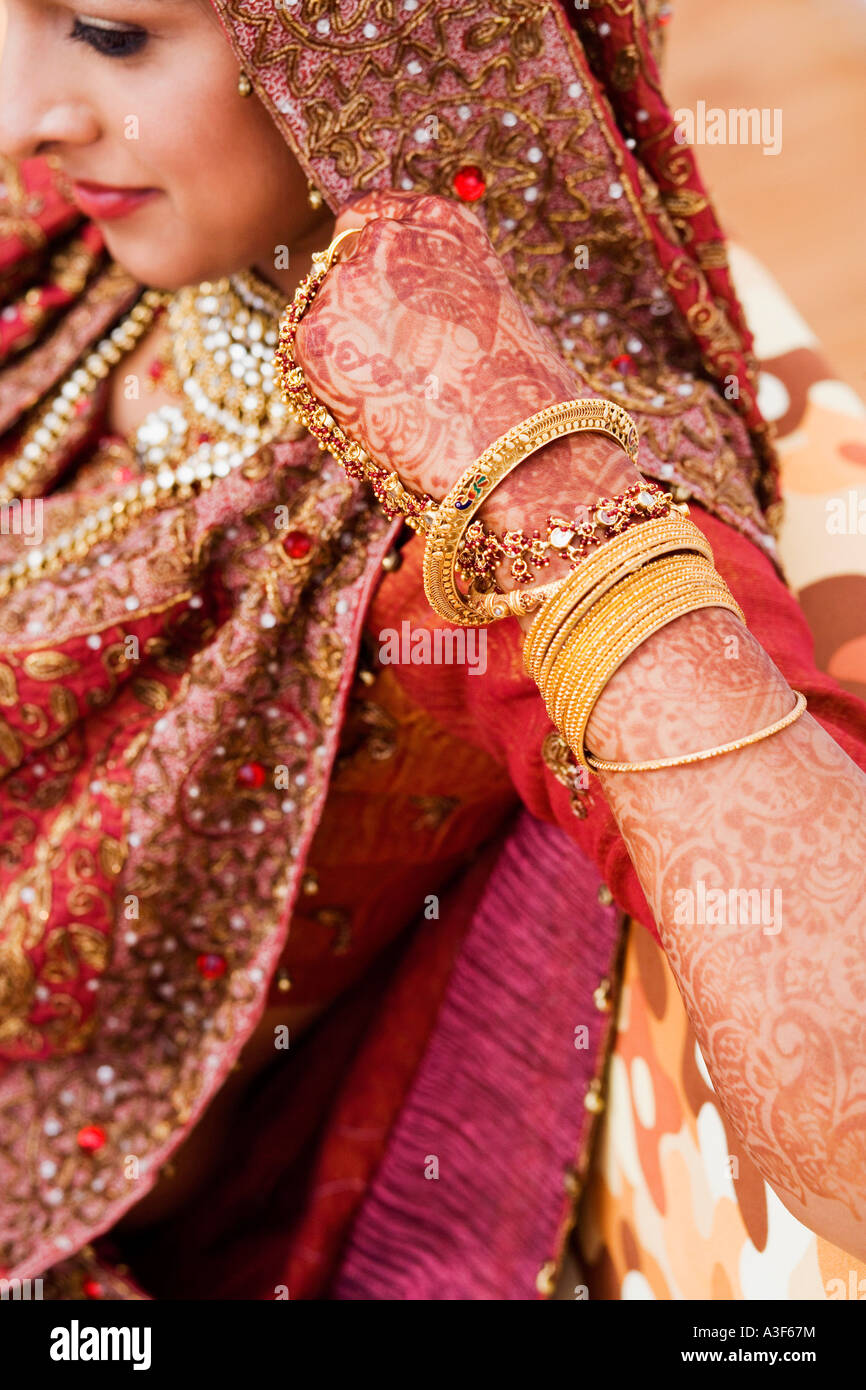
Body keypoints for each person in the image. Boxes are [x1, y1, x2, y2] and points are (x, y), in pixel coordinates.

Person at [0, 0, 864, 1301]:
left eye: (114, 33)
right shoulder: (100, 244)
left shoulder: (504, 507)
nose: (22, 115)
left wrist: (534, 488)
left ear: (381, 32)